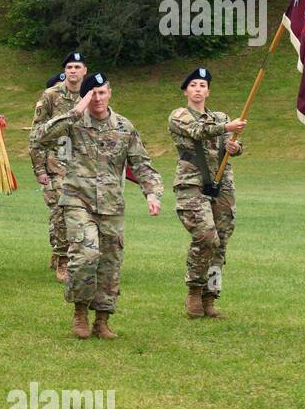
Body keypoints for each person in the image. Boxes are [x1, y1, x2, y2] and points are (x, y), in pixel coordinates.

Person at [32, 72, 164, 339]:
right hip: (78, 200)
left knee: (110, 264)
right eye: (93, 93)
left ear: (110, 93)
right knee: (85, 256)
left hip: (111, 205)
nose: (98, 98)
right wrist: (75, 110)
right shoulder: (73, 124)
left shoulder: (124, 127)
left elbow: (142, 164)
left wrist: (152, 193)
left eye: (102, 92)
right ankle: (80, 312)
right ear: (85, 96)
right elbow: (42, 137)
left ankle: (102, 319)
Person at [168, 67, 246, 318]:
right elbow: (198, 131)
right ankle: (194, 290)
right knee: (206, 236)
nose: (198, 89)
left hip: (221, 184)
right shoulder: (179, 115)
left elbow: (229, 145)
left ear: (208, 91)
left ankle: (210, 297)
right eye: (193, 85)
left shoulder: (220, 116)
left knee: (221, 242)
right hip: (192, 184)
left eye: (202, 85)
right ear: (185, 91)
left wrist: (234, 146)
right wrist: (227, 127)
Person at [29, 52, 87, 283]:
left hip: (84, 165)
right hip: (56, 164)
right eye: (69, 67)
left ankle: (77, 256)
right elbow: (37, 133)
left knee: (83, 214)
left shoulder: (91, 94)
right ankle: (63, 259)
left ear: (85, 70)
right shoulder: (51, 95)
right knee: (60, 212)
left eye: (77, 67)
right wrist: (40, 169)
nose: (73, 71)